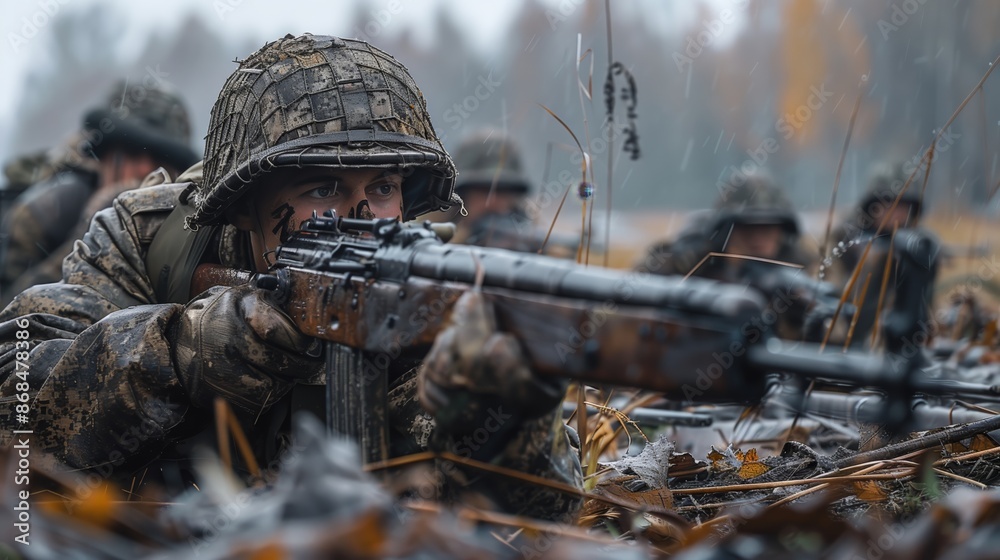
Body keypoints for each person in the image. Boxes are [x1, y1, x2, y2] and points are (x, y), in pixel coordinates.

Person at [0, 34, 581, 521]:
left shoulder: (428, 288)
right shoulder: (150, 240)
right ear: (245, 207)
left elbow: (538, 515)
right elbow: (15, 402)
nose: (361, 219)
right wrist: (188, 351)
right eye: (323, 188)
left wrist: (509, 419)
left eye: (383, 187)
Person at [0, 81, 197, 305]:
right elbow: (10, 311)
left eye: (161, 159)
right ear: (104, 158)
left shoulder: (189, 218)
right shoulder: (46, 212)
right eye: (133, 154)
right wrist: (95, 230)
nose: (145, 169)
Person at [826, 161, 937, 348]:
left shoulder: (916, 248)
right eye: (888, 204)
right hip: (846, 340)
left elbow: (927, 309)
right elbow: (833, 291)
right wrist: (874, 263)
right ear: (872, 207)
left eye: (903, 206)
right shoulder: (845, 241)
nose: (896, 213)